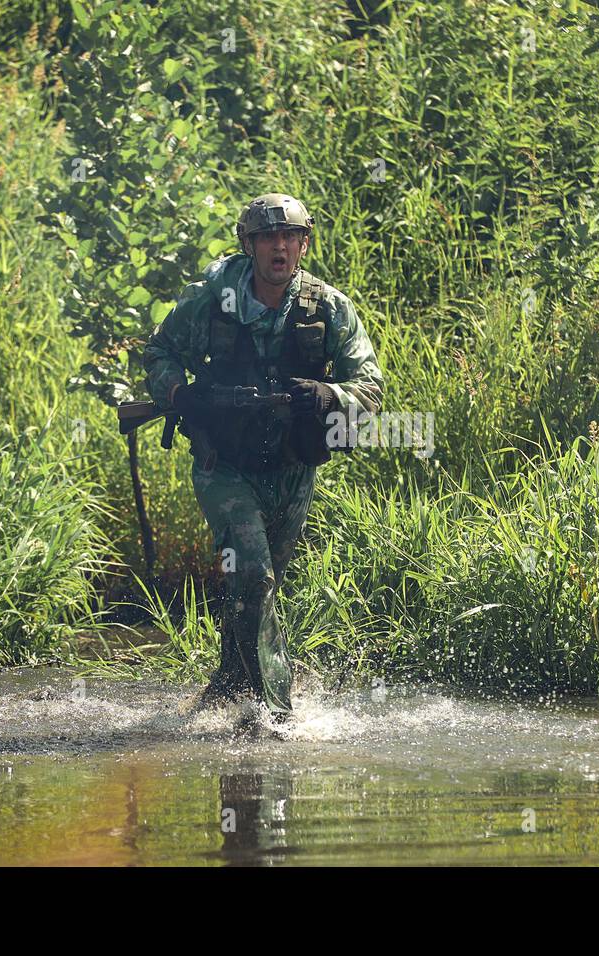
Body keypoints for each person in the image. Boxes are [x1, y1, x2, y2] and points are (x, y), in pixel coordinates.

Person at [143, 193, 383, 721]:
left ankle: (228, 692)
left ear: (302, 244)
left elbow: (370, 384)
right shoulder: (212, 299)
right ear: (249, 246)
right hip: (224, 465)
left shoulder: (328, 308)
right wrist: (181, 397)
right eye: (268, 238)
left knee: (254, 590)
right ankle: (279, 715)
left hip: (293, 470)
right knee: (253, 576)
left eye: (290, 238)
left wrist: (329, 397)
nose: (280, 247)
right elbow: (159, 353)